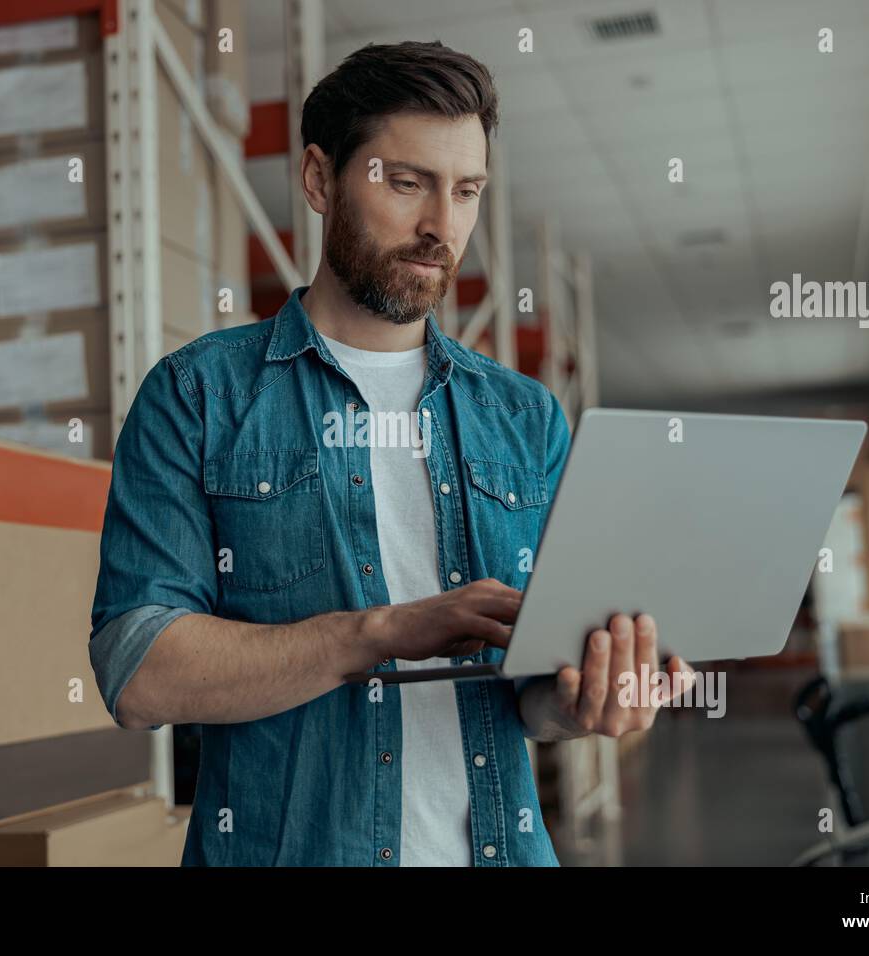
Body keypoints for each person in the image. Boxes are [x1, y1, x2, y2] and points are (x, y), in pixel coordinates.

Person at [90, 39, 693, 866]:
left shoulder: (525, 418)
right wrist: (381, 631)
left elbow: (530, 697)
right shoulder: (199, 397)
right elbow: (138, 673)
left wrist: (590, 698)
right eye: (406, 184)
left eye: (467, 191)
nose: (442, 227)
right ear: (317, 179)